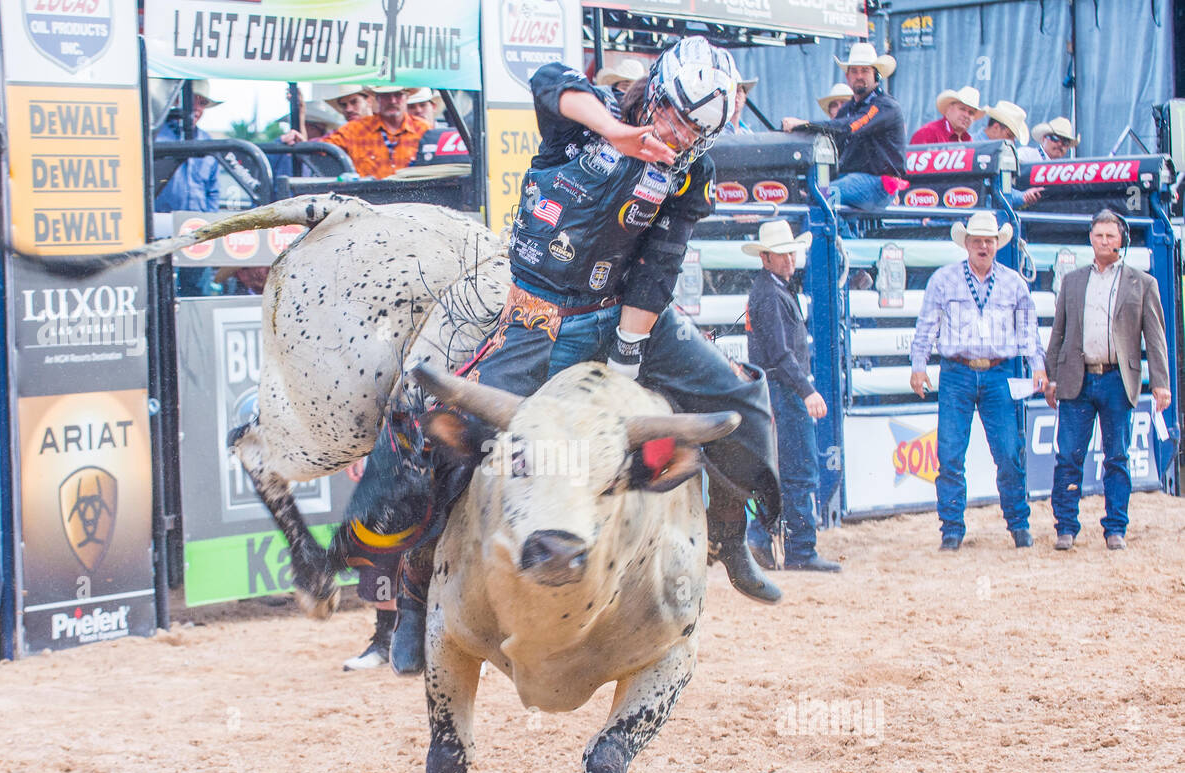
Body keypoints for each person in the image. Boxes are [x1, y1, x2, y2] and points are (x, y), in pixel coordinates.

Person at [324, 36, 784, 674]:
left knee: (739, 397)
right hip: (534, 317)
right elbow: (548, 80)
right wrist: (620, 133)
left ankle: (733, 536)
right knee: (438, 439)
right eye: (674, 116)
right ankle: (411, 600)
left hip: (627, 313)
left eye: (693, 129)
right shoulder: (583, 122)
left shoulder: (691, 169)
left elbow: (661, 262)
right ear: (655, 89)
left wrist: (627, 347)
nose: (678, 135)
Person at [909, 211, 1047, 550]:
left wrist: (1038, 366)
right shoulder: (944, 280)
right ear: (967, 244)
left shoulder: (1014, 282)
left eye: (989, 241)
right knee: (951, 454)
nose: (984, 246)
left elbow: (1028, 329)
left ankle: (1018, 524)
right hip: (956, 371)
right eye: (978, 241)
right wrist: (918, 364)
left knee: (1008, 452)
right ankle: (952, 530)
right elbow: (927, 324)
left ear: (997, 244)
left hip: (1000, 371)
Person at [1044, 210, 1171, 551]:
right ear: (1090, 238)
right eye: (1099, 235)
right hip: (1078, 379)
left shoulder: (1142, 282)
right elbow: (1059, 332)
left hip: (1118, 379)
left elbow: (1155, 338)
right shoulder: (1072, 281)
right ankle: (1065, 527)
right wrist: (1052, 377)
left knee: (1117, 456)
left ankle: (1115, 528)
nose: (1104, 241)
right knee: (1069, 456)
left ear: (1121, 240)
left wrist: (1161, 383)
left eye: (1110, 236)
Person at [742, 220, 840, 573]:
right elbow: (782, 355)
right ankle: (800, 548)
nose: (790, 260)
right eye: (783, 255)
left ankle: (761, 536)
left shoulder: (769, 290)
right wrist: (807, 389)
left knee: (779, 468)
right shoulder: (772, 294)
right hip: (783, 391)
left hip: (775, 390)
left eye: (791, 253)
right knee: (798, 470)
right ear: (766, 257)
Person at [780, 42, 905, 213]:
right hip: (853, 180)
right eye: (854, 71)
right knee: (814, 194)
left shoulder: (885, 106)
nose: (859, 75)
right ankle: (845, 237)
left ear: (876, 75)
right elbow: (833, 142)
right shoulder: (848, 109)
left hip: (877, 183)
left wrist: (805, 125)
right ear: (847, 76)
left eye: (865, 70)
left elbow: (851, 127)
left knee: (822, 195)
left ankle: (836, 239)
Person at [155, 79, 222, 296]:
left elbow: (213, 190)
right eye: (191, 100)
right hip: (161, 229)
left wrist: (207, 221)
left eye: (202, 103)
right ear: (175, 100)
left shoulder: (207, 140)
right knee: (161, 291)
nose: (196, 108)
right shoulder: (156, 134)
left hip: (196, 230)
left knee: (196, 293)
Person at [323, 86, 429, 178]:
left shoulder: (423, 129)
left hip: (413, 198)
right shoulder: (354, 130)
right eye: (386, 95)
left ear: (407, 97)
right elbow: (317, 147)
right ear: (377, 98)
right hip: (368, 198)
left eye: (398, 95)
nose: (392, 101)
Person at [981, 100, 1043, 207]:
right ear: (995, 127)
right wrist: (1023, 196)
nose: (1012, 142)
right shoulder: (971, 144)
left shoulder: (1000, 153)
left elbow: (1004, 191)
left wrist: (1024, 196)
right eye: (1009, 135)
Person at [910, 86, 984, 145]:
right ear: (949, 109)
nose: (966, 115)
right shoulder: (928, 133)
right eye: (962, 109)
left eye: (971, 113)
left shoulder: (968, 141)